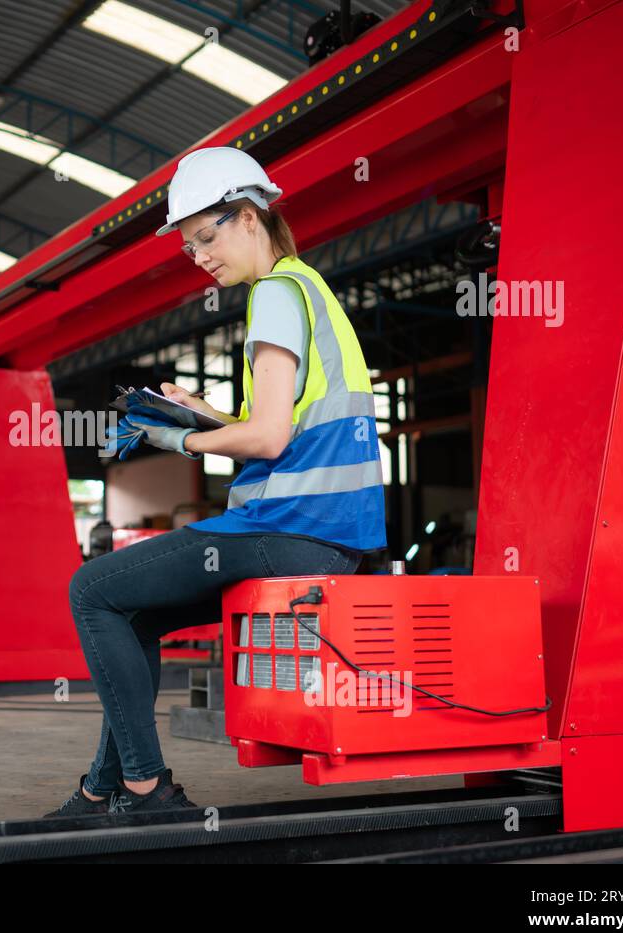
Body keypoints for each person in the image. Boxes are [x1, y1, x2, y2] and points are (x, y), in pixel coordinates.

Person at [45, 146, 387, 817]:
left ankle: (146, 788)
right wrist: (211, 415)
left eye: (207, 235)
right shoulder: (307, 287)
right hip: (325, 534)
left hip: (293, 527)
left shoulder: (275, 295)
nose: (199, 256)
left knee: (90, 588)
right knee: (131, 613)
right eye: (188, 245)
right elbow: (279, 430)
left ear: (252, 216)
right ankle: (100, 790)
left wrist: (180, 436)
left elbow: (267, 439)